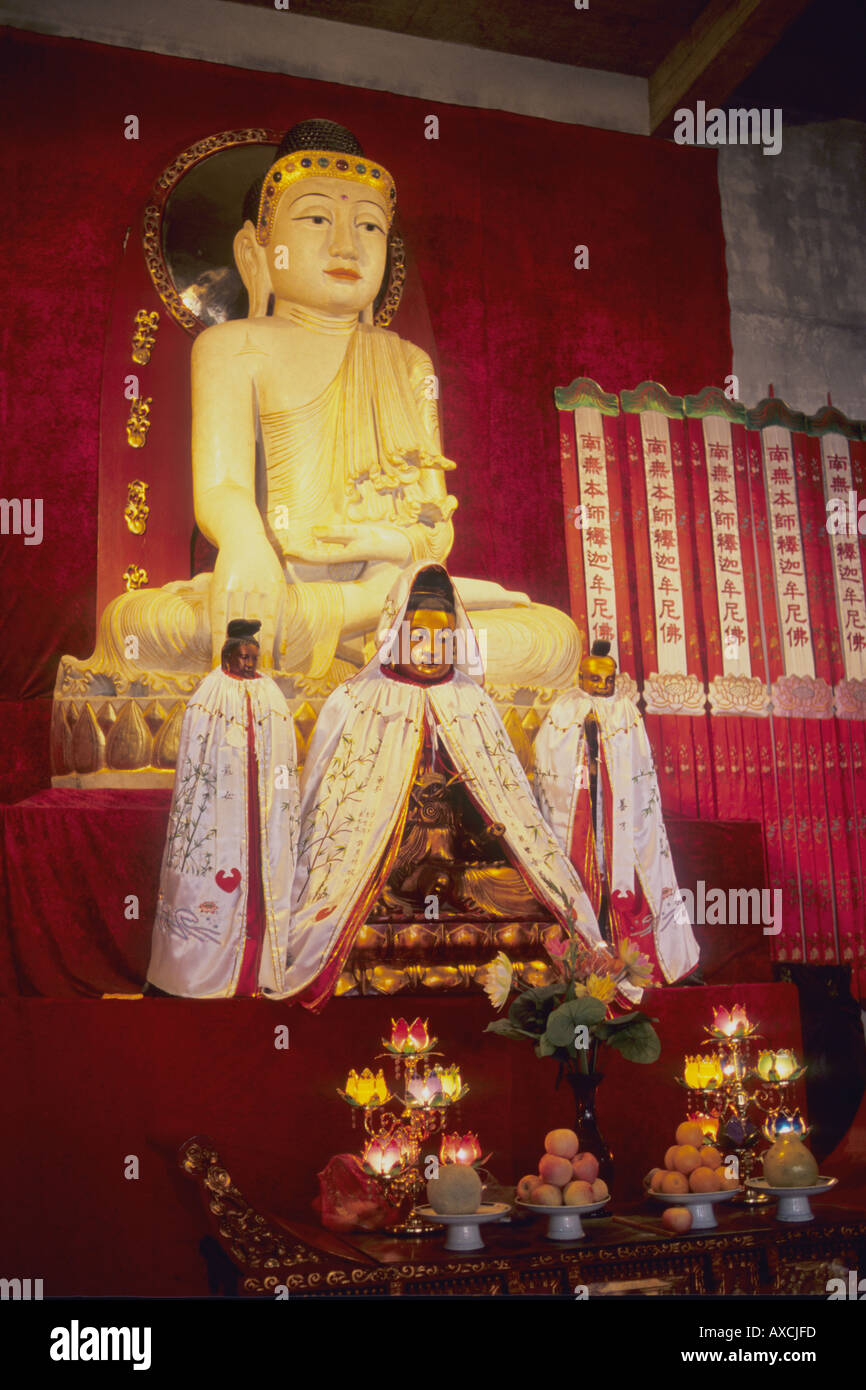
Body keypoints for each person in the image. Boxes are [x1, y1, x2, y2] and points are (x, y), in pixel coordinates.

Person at [56, 118, 579, 710]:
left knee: (549, 641)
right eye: (315, 220)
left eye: (369, 227)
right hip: (280, 589)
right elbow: (223, 486)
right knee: (140, 628)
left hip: (392, 594)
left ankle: (356, 652)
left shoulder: (407, 361)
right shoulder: (233, 346)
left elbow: (434, 526)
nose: (345, 247)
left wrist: (376, 545)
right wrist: (248, 548)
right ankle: (382, 663)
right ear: (256, 250)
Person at [279, 563, 615, 1011]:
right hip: (387, 864)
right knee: (356, 910)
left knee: (519, 890)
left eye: (444, 640)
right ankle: (376, 918)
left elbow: (500, 801)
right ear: (396, 632)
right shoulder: (358, 700)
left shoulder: (469, 700)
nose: (432, 651)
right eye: (420, 638)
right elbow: (335, 816)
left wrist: (487, 830)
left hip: (455, 864)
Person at [532, 640, 700, 987]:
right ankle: (581, 961)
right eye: (596, 680)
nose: (602, 687)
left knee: (624, 879)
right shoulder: (563, 710)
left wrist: (607, 770)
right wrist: (585, 765)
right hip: (579, 817)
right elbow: (551, 765)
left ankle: (632, 960)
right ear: (582, 677)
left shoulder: (626, 712)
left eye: (608, 681)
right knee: (579, 881)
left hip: (618, 819)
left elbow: (639, 769)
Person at [145, 619, 299, 997]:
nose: (249, 663)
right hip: (222, 813)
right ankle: (201, 967)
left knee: (265, 878)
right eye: (242, 656)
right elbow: (196, 765)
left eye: (254, 657)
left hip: (262, 812)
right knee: (216, 873)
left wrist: (280, 799)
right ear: (227, 655)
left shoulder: (271, 695)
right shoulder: (209, 695)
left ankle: (260, 968)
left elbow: (283, 759)